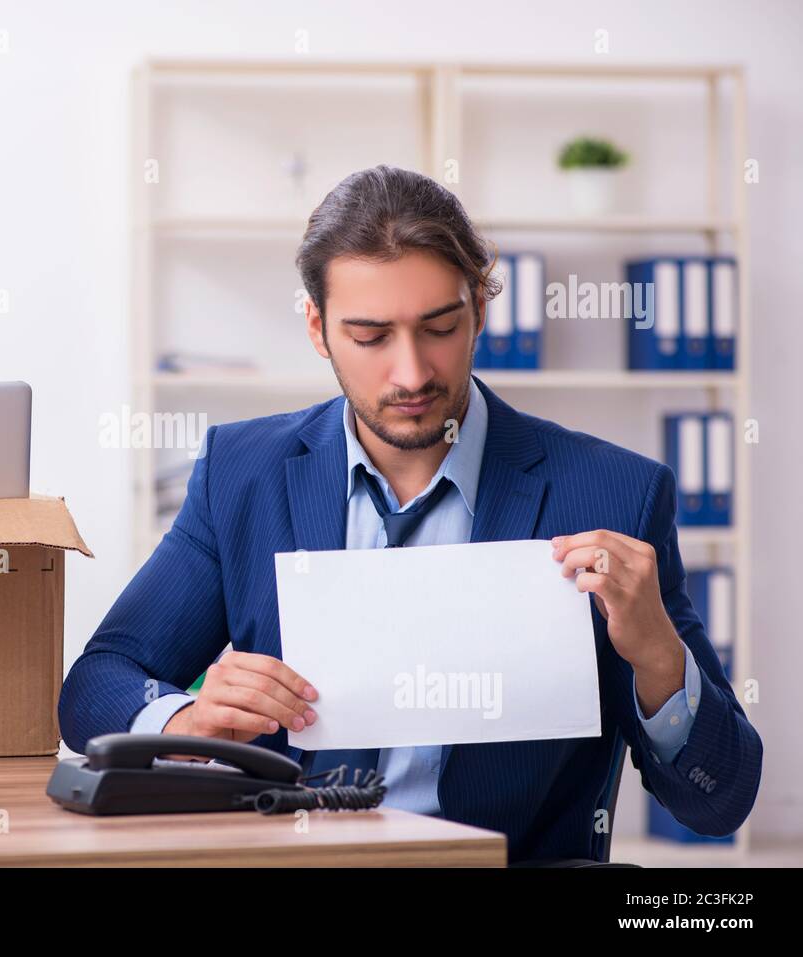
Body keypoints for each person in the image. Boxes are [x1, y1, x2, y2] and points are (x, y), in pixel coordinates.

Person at [58, 165, 761, 863]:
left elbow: (718, 800)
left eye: (440, 327)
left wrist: (661, 659)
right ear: (316, 327)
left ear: (481, 310)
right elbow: (100, 679)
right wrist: (185, 717)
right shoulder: (243, 474)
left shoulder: (615, 493)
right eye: (369, 337)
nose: (412, 374)